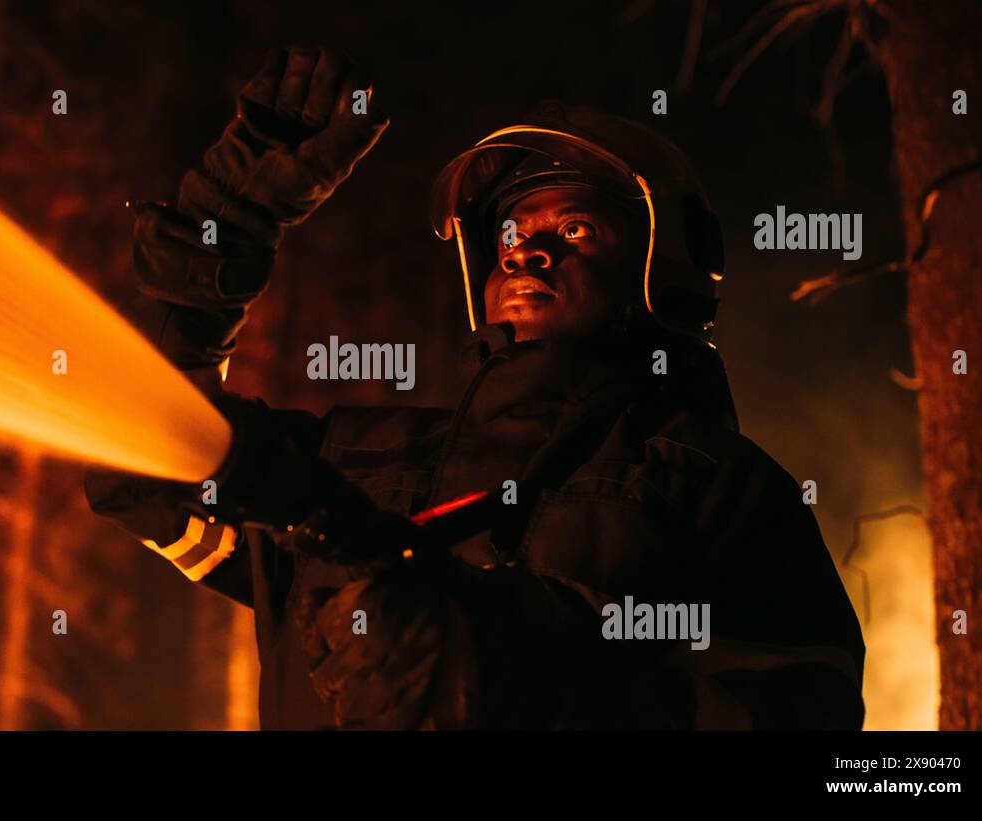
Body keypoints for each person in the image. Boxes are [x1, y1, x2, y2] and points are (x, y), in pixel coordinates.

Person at [85, 47, 866, 730]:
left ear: (660, 267)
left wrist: (504, 675)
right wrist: (217, 242)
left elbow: (805, 721)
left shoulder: (714, 486)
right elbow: (134, 458)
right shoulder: (352, 469)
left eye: (577, 230)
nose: (527, 253)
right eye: (511, 236)